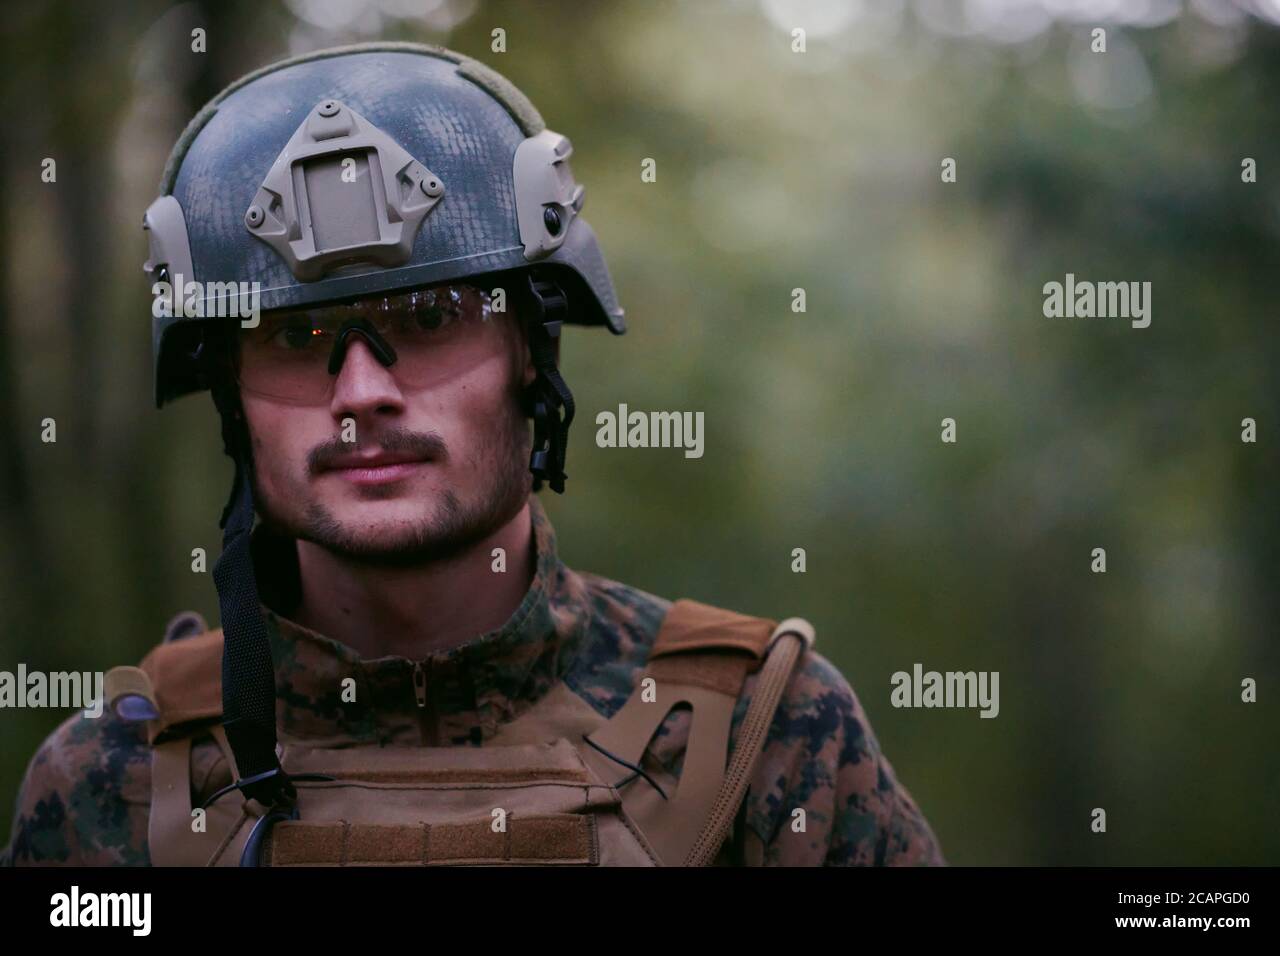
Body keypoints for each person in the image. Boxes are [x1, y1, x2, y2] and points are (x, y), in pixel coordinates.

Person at [2, 42, 943, 867]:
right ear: (230, 396)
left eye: (427, 318)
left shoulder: (762, 735)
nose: (362, 392)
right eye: (295, 338)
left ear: (531, 354)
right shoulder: (111, 777)